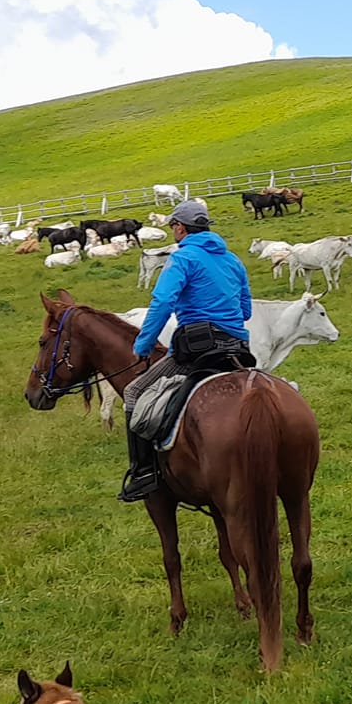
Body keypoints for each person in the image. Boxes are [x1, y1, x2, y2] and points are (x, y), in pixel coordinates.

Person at [118, 199, 253, 501]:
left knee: (133, 394)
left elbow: (163, 303)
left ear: (179, 228)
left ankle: (142, 472)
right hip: (237, 347)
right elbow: (245, 311)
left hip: (197, 348)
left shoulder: (182, 259)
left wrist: (142, 346)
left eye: (172, 227)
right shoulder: (233, 260)